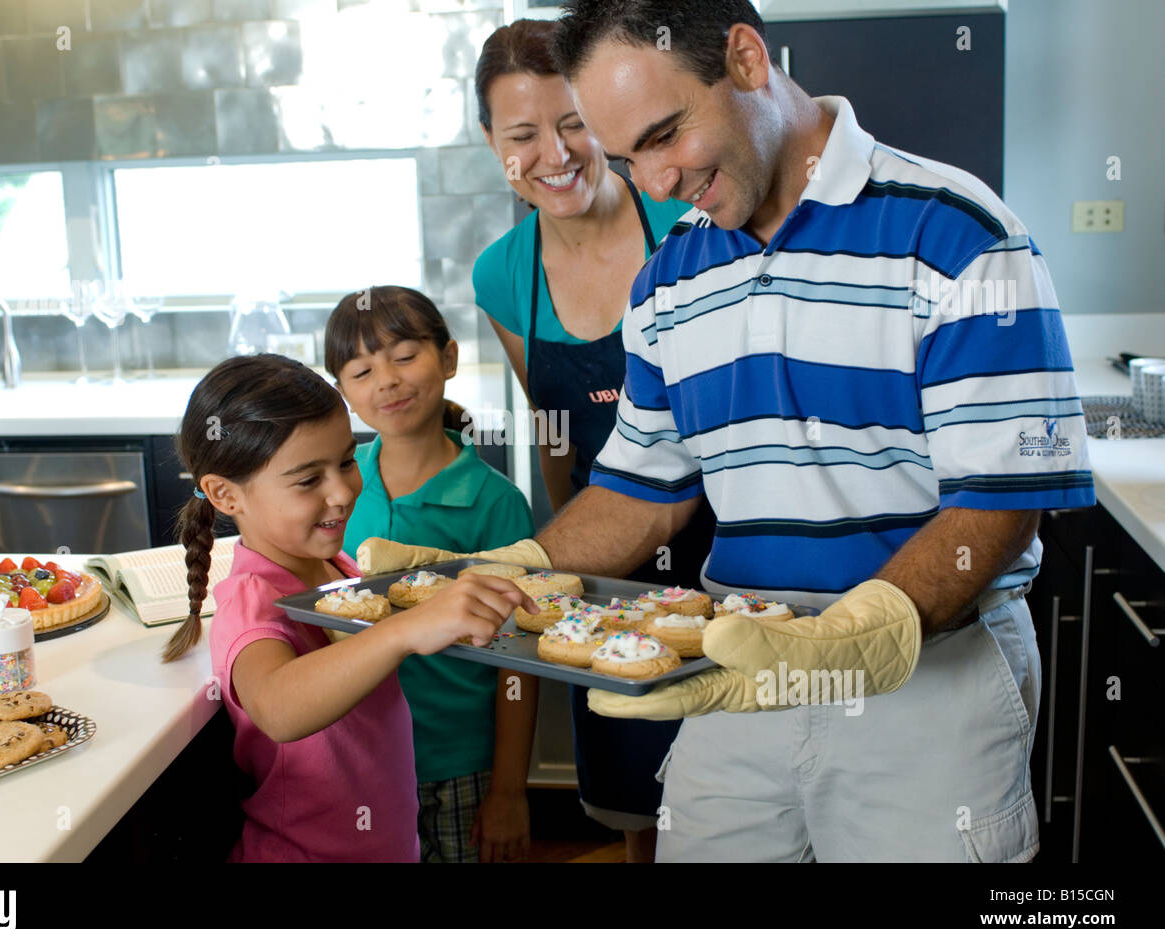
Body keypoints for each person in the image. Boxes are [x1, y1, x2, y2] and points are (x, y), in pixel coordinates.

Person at [363, 0, 1095, 861]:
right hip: (734, 680)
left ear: (747, 59)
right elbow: (640, 490)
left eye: (667, 135)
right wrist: (511, 574)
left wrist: (862, 634)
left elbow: (1001, 504)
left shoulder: (958, 236)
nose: (658, 184)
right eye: (631, 158)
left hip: (927, 688)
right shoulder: (671, 281)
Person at [469, 19, 713, 862]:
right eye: (522, 134)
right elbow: (552, 423)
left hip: (726, 555)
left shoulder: (687, 221)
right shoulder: (502, 273)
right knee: (638, 802)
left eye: (574, 121)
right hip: (602, 571)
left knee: (737, 793)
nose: (555, 153)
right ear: (493, 145)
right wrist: (567, 550)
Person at [161, 354, 536, 862]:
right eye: (307, 480)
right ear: (225, 494)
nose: (342, 492)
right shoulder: (254, 600)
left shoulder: (337, 569)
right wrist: (403, 630)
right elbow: (278, 708)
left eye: (345, 461)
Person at [325, 285, 538, 863]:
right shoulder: (339, 491)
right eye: (362, 370)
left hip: (458, 760)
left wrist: (509, 790)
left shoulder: (497, 504)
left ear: (447, 358)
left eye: (404, 356)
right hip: (358, 754)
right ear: (343, 392)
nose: (387, 381)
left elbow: (519, 664)